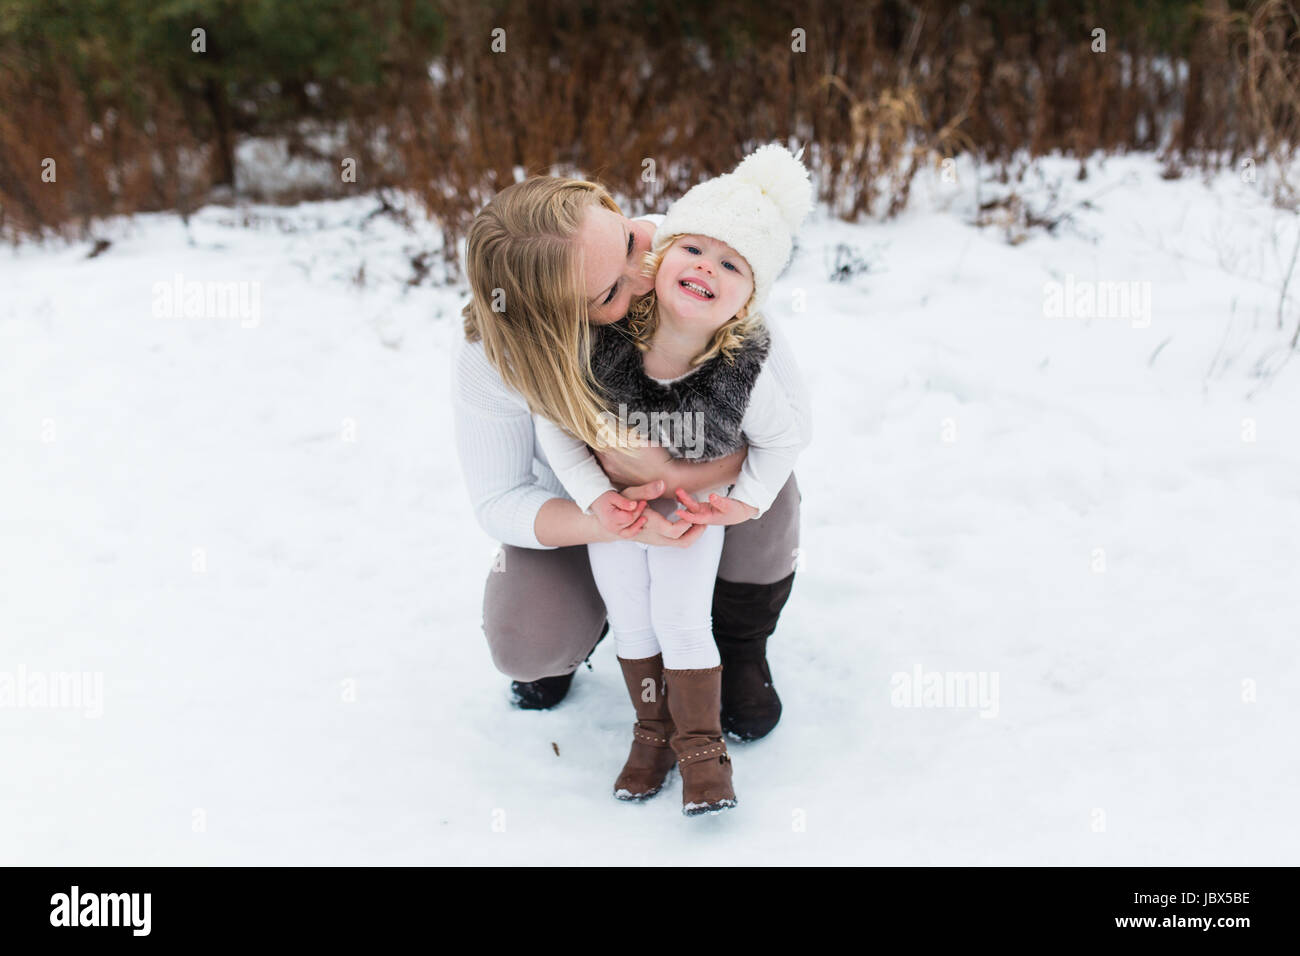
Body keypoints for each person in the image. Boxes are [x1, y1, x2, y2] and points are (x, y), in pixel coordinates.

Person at [453, 164, 811, 741]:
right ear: (561, 320)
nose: (646, 272)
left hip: (708, 488)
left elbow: (792, 423)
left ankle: (741, 644)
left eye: (625, 240)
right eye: (612, 291)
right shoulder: (496, 352)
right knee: (527, 644)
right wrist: (609, 518)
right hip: (589, 507)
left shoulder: (703, 248)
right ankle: (589, 620)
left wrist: (676, 474)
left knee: (774, 488)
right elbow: (497, 499)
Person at [534, 145, 812, 813]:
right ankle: (650, 732)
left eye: (731, 264)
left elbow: (785, 439)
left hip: (689, 516)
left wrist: (741, 506)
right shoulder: (602, 344)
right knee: (632, 619)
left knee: (682, 619)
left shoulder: (742, 368)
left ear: (751, 297)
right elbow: (556, 427)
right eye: (693, 249)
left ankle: (701, 747)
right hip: (618, 514)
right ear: (658, 263)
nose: (705, 268)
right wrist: (598, 498)